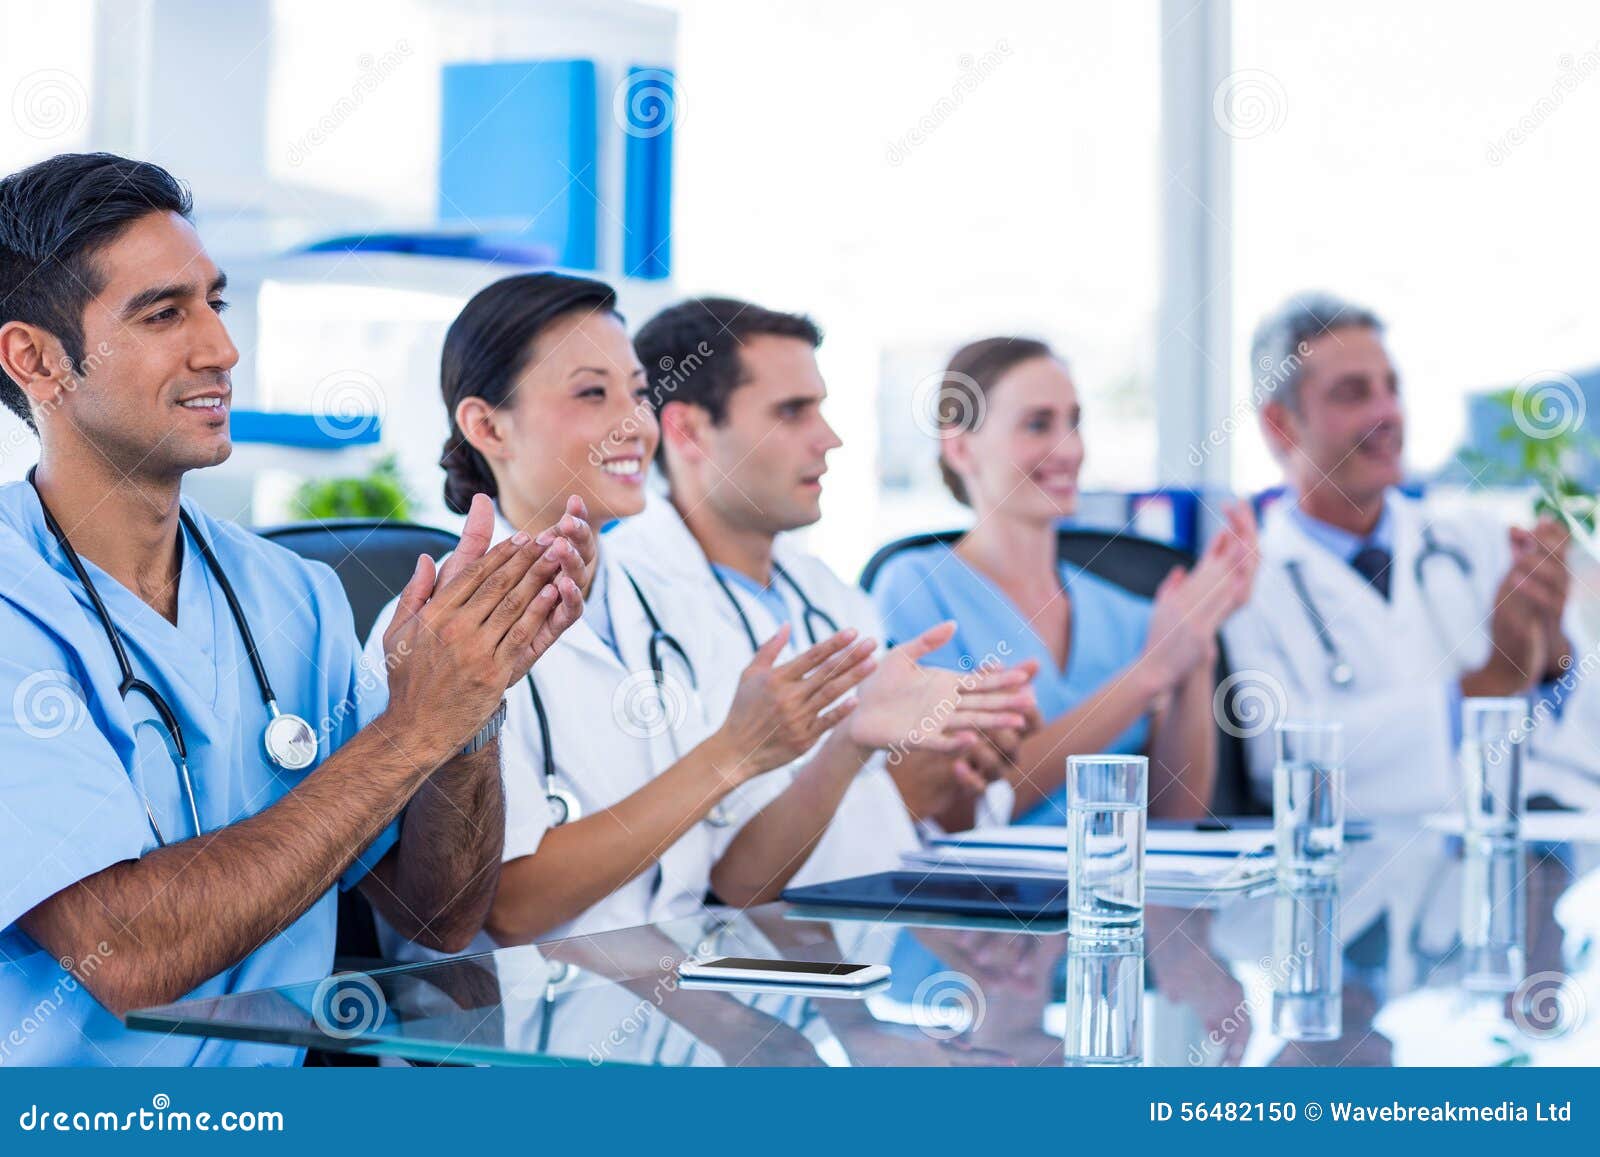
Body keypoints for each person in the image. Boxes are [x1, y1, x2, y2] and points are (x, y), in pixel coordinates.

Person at [0, 154, 587, 1066]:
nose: (220, 350)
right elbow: (130, 952)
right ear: (36, 359)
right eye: (163, 313)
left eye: (215, 304)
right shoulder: (12, 600)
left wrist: (469, 700)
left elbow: (437, 912)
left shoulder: (294, 596)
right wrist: (411, 730)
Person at [359, 274, 1031, 949]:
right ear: (486, 425)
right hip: (510, 1029)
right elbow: (510, 907)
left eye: (639, 392)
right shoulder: (428, 631)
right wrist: (730, 753)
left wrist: (850, 738)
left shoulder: (678, 605)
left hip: (680, 1003)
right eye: (593, 393)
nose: (636, 424)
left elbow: (735, 877)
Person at [611, 299, 1041, 867]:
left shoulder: (829, 596)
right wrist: (897, 792)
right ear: (688, 431)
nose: (829, 439)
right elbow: (718, 870)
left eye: (820, 409)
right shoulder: (626, 598)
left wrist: (971, 760)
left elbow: (930, 821)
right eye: (792, 412)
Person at [1223, 292, 1599, 813]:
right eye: (1353, 394)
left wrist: (1552, 650)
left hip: (1541, 849)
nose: (1387, 414)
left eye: (1391, 389)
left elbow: (1581, 730)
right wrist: (1486, 685)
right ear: (1280, 425)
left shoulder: (1477, 540)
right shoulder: (1247, 584)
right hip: (1374, 878)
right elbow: (1279, 763)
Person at [870, 337, 1258, 824]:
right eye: (1038, 424)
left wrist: (1197, 640)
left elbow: (1176, 816)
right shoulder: (914, 588)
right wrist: (1149, 674)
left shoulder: (1130, 614)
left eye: (1073, 422)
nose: (1069, 449)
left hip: (1111, 892)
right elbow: (950, 810)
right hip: (983, 894)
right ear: (961, 448)